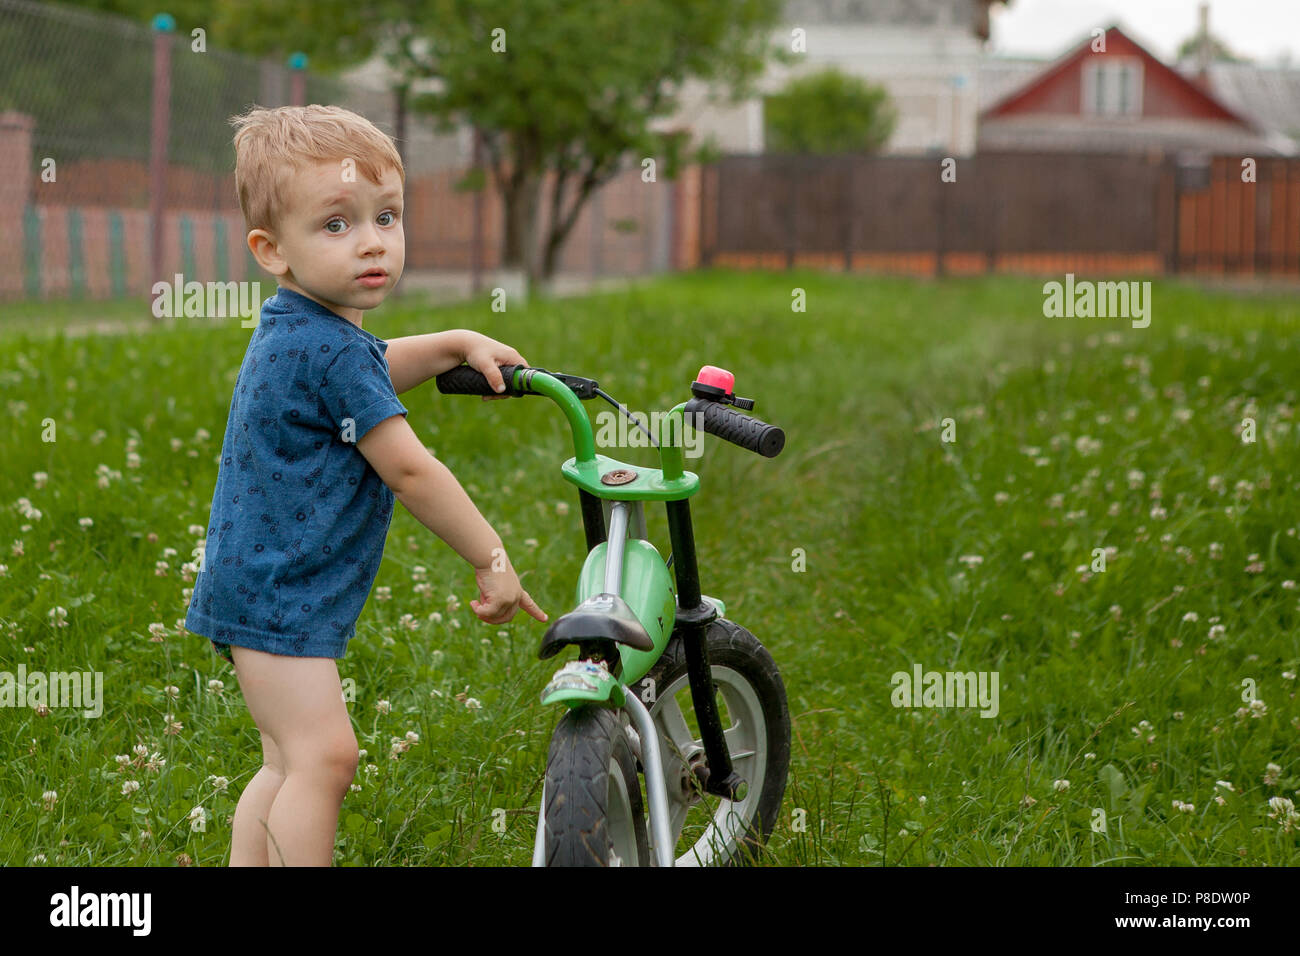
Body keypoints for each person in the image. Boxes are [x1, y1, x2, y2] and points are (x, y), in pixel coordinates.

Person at [184, 104, 547, 866]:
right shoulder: (331, 351)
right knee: (325, 759)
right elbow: (411, 470)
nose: (373, 240)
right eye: (336, 224)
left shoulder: (299, 326)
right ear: (272, 250)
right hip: (279, 594)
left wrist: (454, 341)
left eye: (386, 216)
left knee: (286, 762)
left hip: (254, 584)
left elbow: (373, 366)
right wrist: (490, 556)